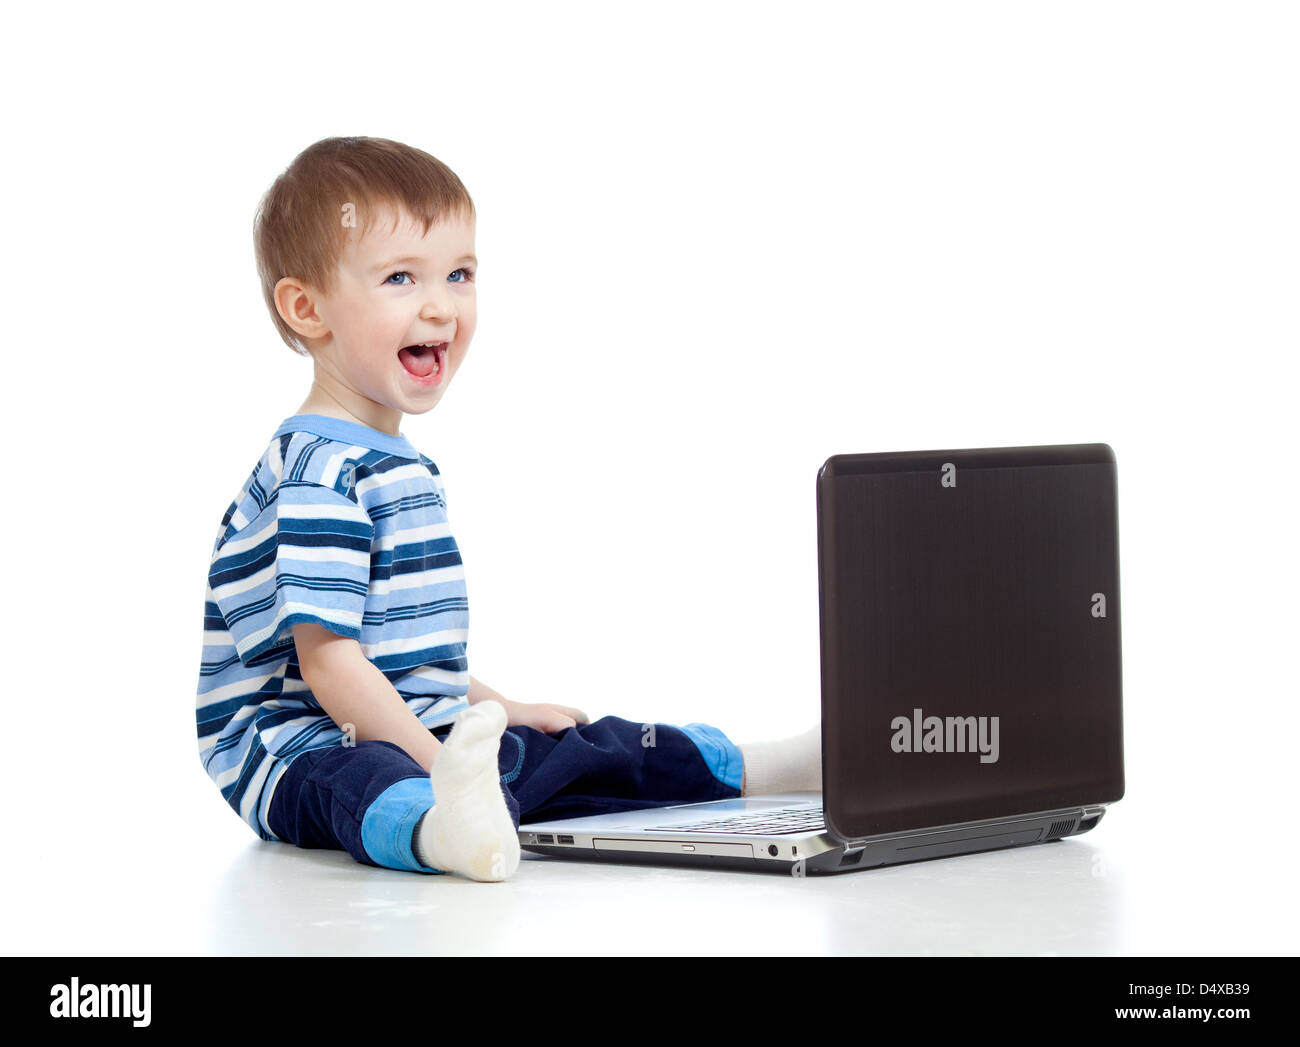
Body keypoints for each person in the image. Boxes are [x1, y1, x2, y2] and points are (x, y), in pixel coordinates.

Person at [196, 136, 820, 882]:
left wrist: (502, 710)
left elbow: (411, 662)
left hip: (416, 728)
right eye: (400, 277)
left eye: (459, 274)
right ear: (307, 308)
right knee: (358, 780)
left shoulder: (403, 466)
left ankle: (757, 765)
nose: (440, 304)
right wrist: (435, 763)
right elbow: (331, 666)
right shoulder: (316, 473)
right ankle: (442, 826)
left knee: (578, 747)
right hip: (300, 746)